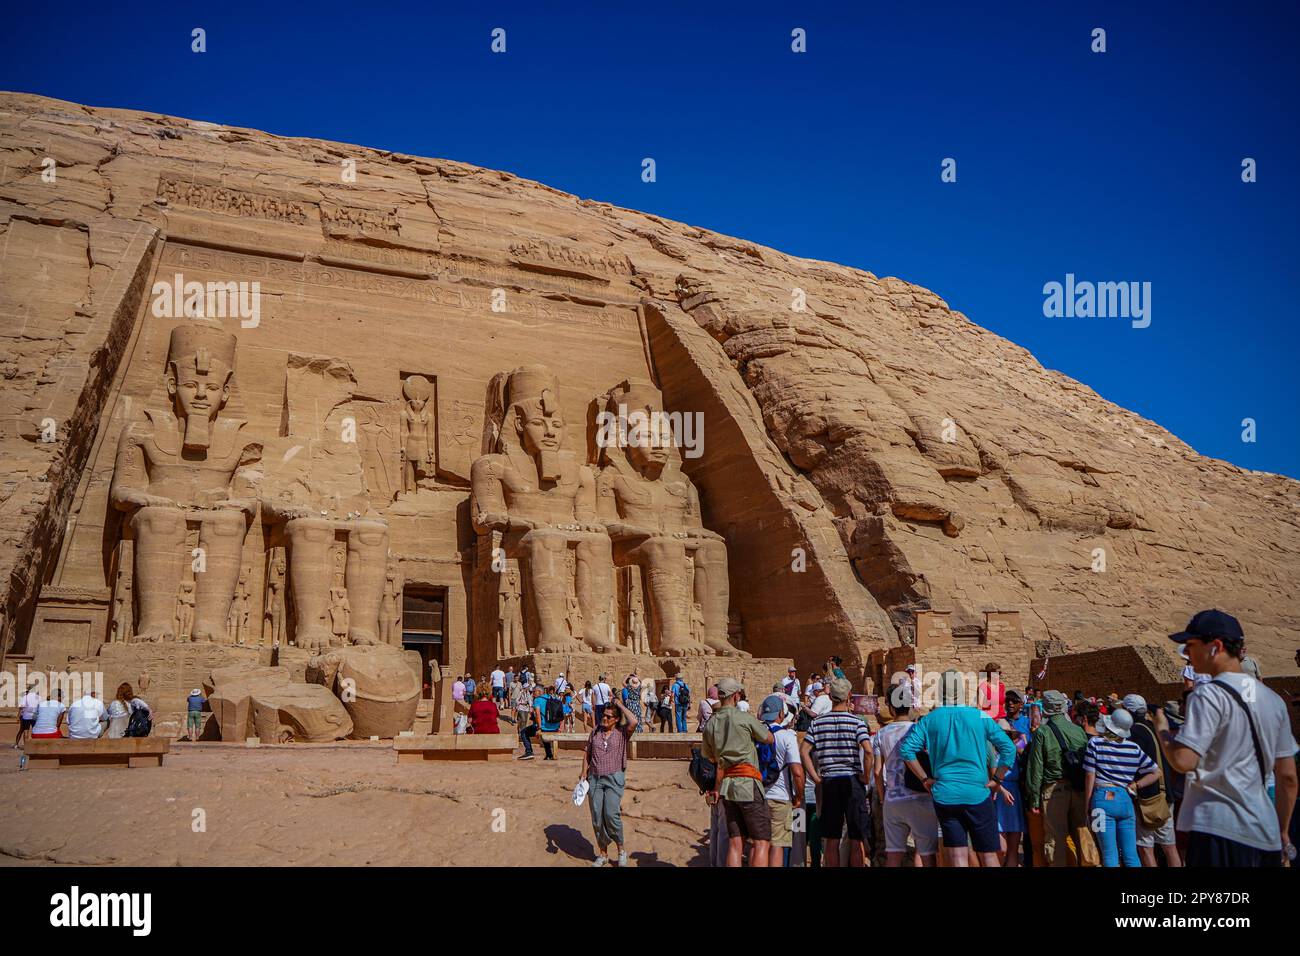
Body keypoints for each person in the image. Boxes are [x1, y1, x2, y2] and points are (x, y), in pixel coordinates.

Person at [1153, 610, 1298, 866]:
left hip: (1217, 828)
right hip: (1264, 831)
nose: (1187, 654)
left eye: (1191, 646)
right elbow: (1287, 777)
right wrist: (1283, 831)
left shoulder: (1207, 695)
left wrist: (1162, 730)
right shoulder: (1274, 700)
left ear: (1215, 647)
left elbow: (1184, 761)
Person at [899, 670, 1014, 867]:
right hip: (977, 792)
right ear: (962, 690)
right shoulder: (979, 716)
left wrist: (924, 778)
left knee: (958, 856)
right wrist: (998, 779)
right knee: (988, 855)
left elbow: (907, 749)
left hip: (945, 794)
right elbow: (1008, 748)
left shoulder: (930, 719)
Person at [701, 677, 775, 867]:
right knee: (761, 842)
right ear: (735, 696)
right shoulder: (744, 718)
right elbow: (768, 738)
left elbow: (710, 758)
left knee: (735, 842)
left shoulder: (710, 724)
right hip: (748, 783)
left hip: (727, 787)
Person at [801, 676, 873, 867]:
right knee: (856, 837)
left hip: (829, 781)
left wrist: (816, 778)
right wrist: (865, 776)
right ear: (849, 696)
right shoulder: (856, 722)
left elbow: (804, 751)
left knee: (831, 838)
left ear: (830, 697)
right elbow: (867, 750)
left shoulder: (817, 723)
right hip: (852, 780)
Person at [1026, 688, 1098, 866]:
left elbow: (1036, 767)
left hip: (1054, 790)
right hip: (1078, 788)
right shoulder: (1078, 730)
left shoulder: (1042, 732)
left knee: (1056, 839)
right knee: (1082, 835)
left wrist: (1034, 798)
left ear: (1046, 709)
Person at [1083, 707, 1161, 867]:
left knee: (1109, 855)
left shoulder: (1095, 743)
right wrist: (1136, 784)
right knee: (1131, 855)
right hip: (1125, 798)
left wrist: (1087, 805)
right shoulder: (1134, 748)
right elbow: (1156, 772)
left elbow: (1090, 776)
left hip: (1102, 800)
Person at [874, 693, 939, 866]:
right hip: (920, 797)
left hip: (893, 799)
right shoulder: (918, 729)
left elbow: (877, 772)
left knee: (893, 856)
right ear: (909, 706)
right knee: (926, 854)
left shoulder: (881, 734)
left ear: (891, 707)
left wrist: (882, 798)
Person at [1121, 694, 1182, 867]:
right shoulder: (1156, 727)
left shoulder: (1134, 733)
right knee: (1170, 847)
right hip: (1165, 794)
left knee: (1145, 848)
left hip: (1148, 797)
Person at [579, 690, 639, 866]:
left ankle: (621, 850)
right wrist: (584, 773)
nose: (604, 719)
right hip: (595, 779)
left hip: (613, 778)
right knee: (597, 817)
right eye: (604, 715)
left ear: (616, 719)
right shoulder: (595, 732)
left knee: (611, 814)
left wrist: (619, 704)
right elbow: (587, 753)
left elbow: (634, 721)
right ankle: (603, 853)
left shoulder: (622, 733)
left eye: (609, 717)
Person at [758, 694, 804, 866]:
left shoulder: (755, 734)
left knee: (760, 844)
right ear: (781, 714)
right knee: (778, 844)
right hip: (781, 795)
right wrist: (798, 797)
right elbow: (797, 772)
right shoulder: (787, 736)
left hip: (759, 794)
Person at [995, 718, 1026, 866]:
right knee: (1000, 849)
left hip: (1013, 795)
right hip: (997, 794)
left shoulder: (1014, 750)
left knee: (1013, 848)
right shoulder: (991, 752)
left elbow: (1024, 744)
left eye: (1006, 734)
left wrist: (1022, 738)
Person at [531, 685, 560, 760]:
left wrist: (539, 727)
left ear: (540, 692)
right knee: (546, 737)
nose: (532, 693)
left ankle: (528, 752)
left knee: (524, 732)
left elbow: (537, 714)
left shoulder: (537, 700)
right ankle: (549, 754)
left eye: (534, 692)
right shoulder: (553, 698)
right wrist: (560, 726)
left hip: (545, 726)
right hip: (555, 725)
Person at [514, 680, 536, 759]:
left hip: (526, 709)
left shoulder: (528, 694)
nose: (527, 688)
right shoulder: (520, 693)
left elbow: (530, 701)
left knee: (525, 721)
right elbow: (517, 700)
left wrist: (530, 707)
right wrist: (521, 703)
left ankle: (522, 734)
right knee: (522, 720)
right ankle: (521, 733)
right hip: (521, 708)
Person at [15, 679, 40, 749]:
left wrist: (17, 717)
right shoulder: (39, 697)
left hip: (26, 716)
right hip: (35, 716)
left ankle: (25, 746)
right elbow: (40, 707)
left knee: (24, 730)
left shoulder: (25, 697)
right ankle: (36, 746)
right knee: (35, 731)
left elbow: (21, 707)